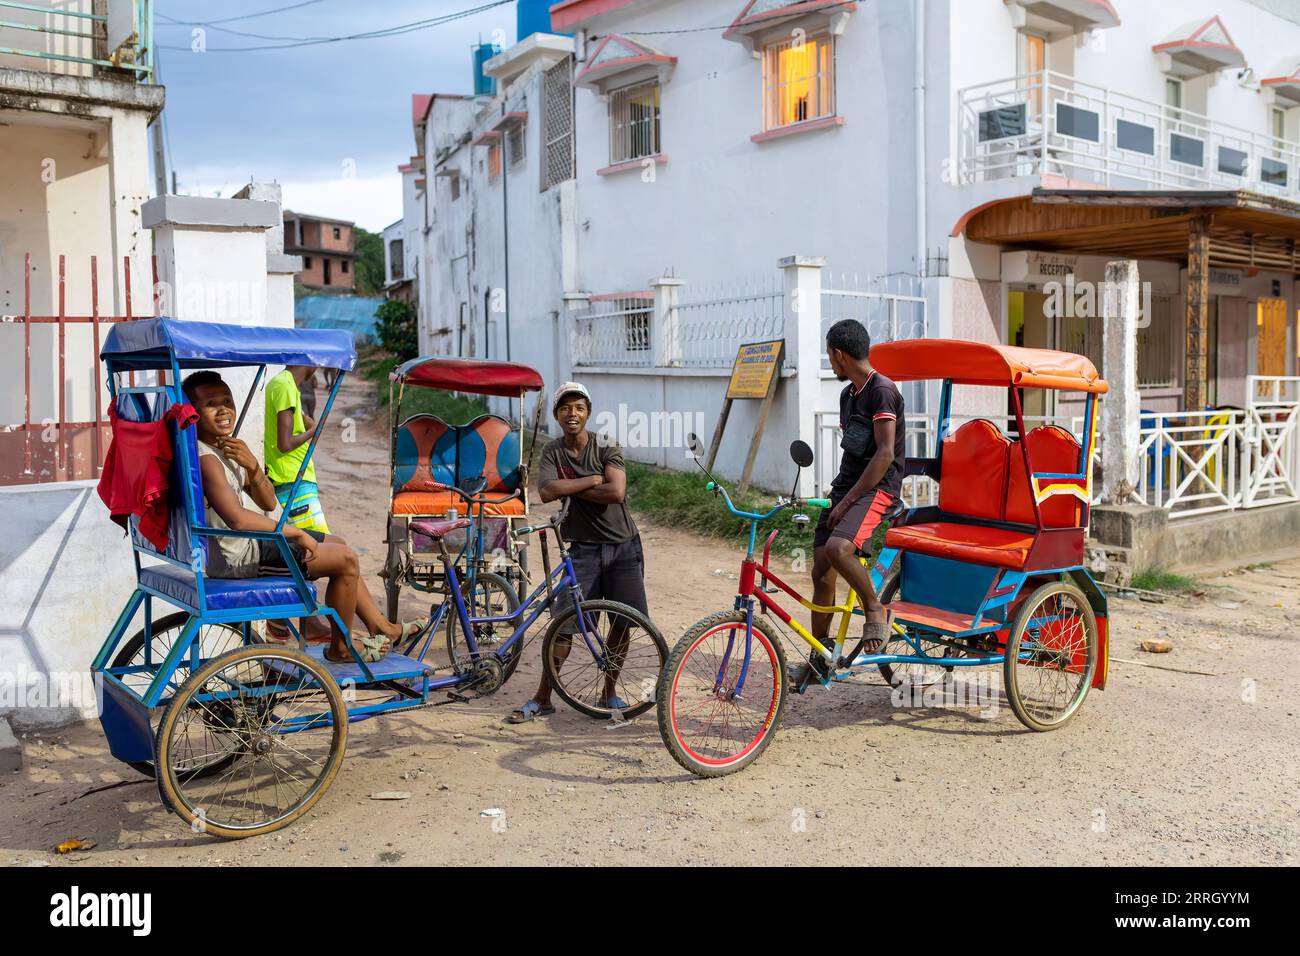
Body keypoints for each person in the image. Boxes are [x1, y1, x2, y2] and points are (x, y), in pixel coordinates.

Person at [183, 371, 424, 663]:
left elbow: (268, 501)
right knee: (346, 559)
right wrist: (296, 533)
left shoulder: (226, 449)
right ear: (194, 412)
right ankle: (341, 648)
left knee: (339, 542)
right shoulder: (206, 458)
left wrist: (253, 467)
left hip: (246, 546)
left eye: (227, 400)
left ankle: (382, 627)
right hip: (239, 559)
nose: (223, 410)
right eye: (211, 404)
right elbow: (237, 519)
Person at [507, 382, 648, 723]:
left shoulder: (606, 444)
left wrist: (571, 487)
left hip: (622, 546)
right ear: (557, 415)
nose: (573, 414)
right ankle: (543, 697)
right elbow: (546, 491)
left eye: (579, 408)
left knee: (622, 622)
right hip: (581, 550)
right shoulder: (553, 451)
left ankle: (609, 691)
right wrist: (590, 480)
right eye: (566, 408)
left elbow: (616, 491)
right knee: (565, 624)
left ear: (588, 412)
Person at [791, 319, 906, 686]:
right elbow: (854, 455)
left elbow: (885, 455)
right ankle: (820, 658)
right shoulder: (848, 396)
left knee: (841, 549)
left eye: (830, 356)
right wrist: (835, 496)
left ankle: (874, 607)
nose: (831, 364)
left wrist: (848, 501)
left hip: (879, 489)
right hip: (848, 486)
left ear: (838, 354)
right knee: (821, 570)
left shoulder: (882, 391)